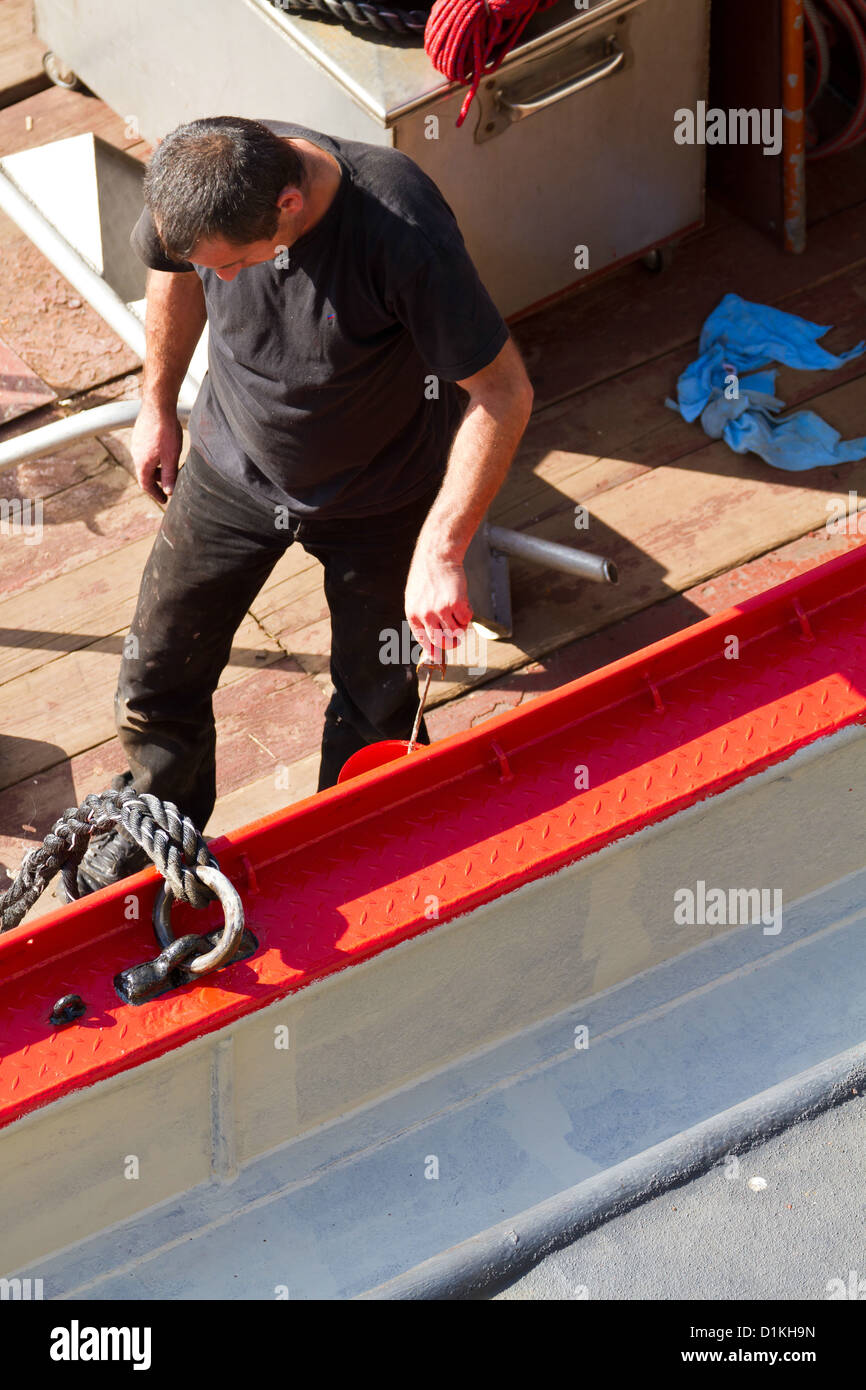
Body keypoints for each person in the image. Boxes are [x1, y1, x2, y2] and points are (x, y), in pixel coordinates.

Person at [74, 115, 533, 895]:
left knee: (378, 697)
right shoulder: (198, 182)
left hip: (381, 494)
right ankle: (164, 829)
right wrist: (156, 401)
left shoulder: (401, 229)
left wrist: (443, 549)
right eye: (210, 265)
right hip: (231, 463)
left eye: (240, 266)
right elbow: (180, 269)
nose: (224, 281)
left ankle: (348, 852)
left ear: (289, 205)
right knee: (155, 675)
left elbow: (503, 391)